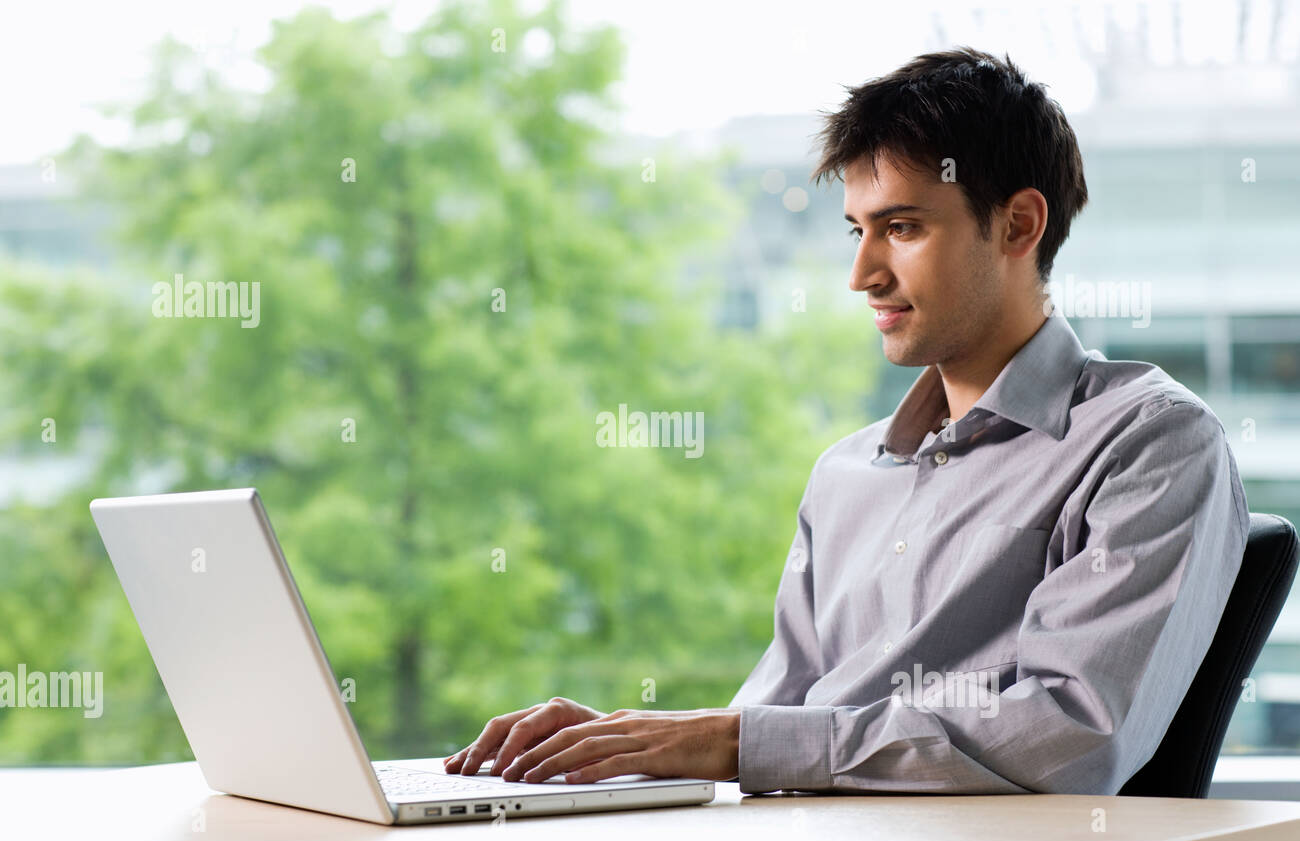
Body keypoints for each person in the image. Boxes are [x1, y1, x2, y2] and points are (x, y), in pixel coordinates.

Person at [443, 46, 1249, 796]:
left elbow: (1074, 735)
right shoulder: (846, 474)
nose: (864, 273)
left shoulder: (1149, 442)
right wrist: (618, 756)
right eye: (858, 231)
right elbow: (773, 719)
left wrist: (729, 742)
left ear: (1018, 225)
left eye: (902, 228)